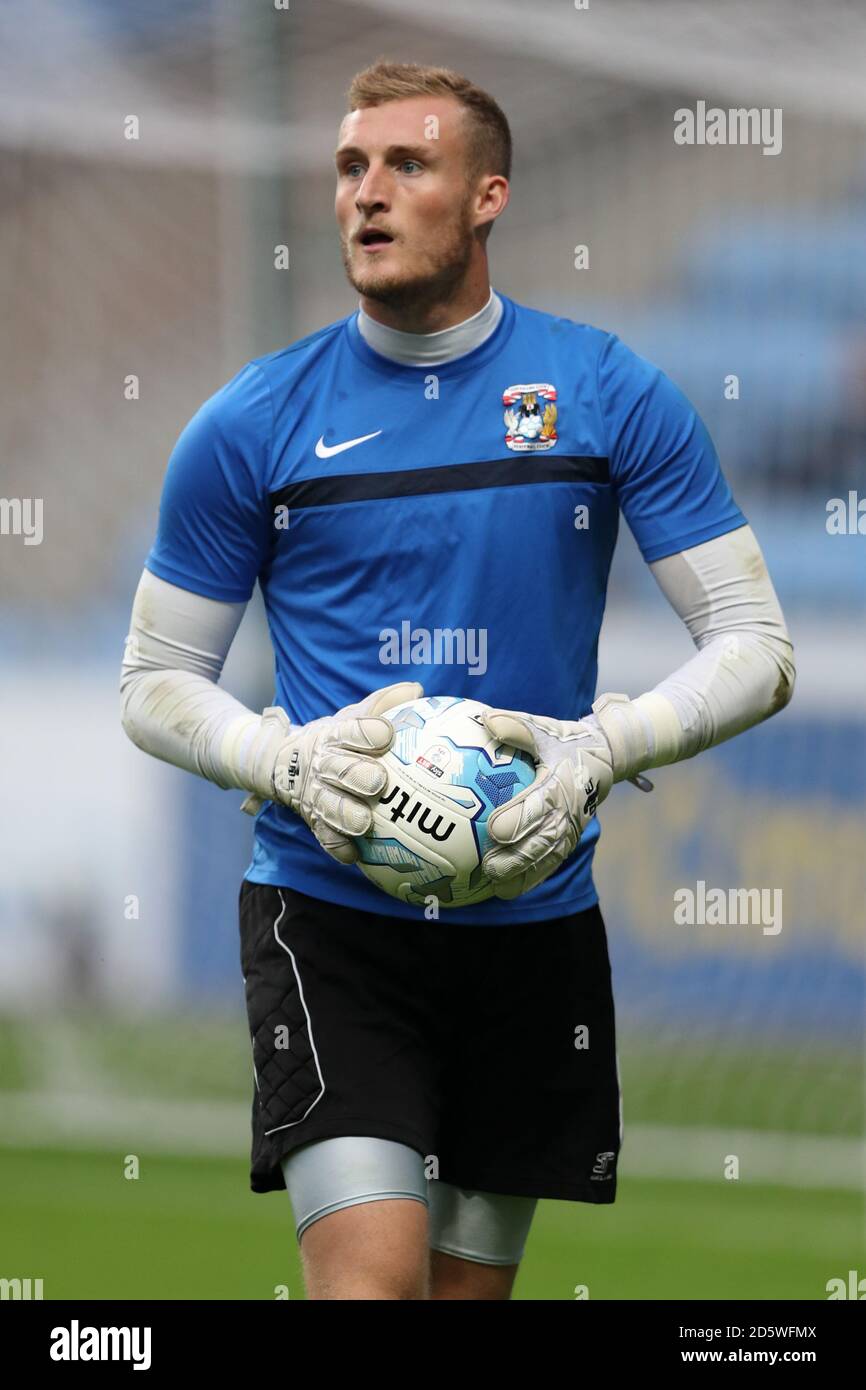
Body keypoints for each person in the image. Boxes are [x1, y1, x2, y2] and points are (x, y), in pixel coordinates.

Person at [120, 60, 795, 1300]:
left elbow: (755, 647)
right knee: (370, 1281)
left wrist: (603, 745)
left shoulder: (603, 391)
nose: (364, 196)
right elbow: (156, 678)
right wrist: (282, 760)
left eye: (405, 166)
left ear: (486, 196)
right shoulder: (250, 424)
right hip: (329, 916)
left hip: (529, 923)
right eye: (347, 168)